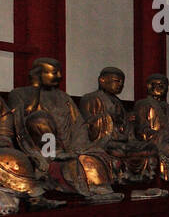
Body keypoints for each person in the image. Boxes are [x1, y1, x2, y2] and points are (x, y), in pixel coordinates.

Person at [8, 57, 120, 201]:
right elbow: (21, 121)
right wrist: (36, 87)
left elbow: (77, 123)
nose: (59, 77)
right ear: (38, 73)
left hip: (68, 145)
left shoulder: (63, 96)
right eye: (54, 73)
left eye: (59, 73)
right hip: (43, 147)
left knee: (91, 155)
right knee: (39, 118)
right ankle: (55, 155)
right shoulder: (19, 93)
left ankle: (99, 189)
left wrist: (79, 147)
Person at [79, 66, 160, 183]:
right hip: (105, 141)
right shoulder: (91, 98)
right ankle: (118, 176)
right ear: (102, 80)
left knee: (151, 148)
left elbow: (125, 125)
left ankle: (145, 176)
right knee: (116, 151)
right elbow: (88, 125)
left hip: (122, 140)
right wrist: (108, 118)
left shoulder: (117, 101)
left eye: (122, 82)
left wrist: (128, 120)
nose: (120, 85)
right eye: (117, 81)